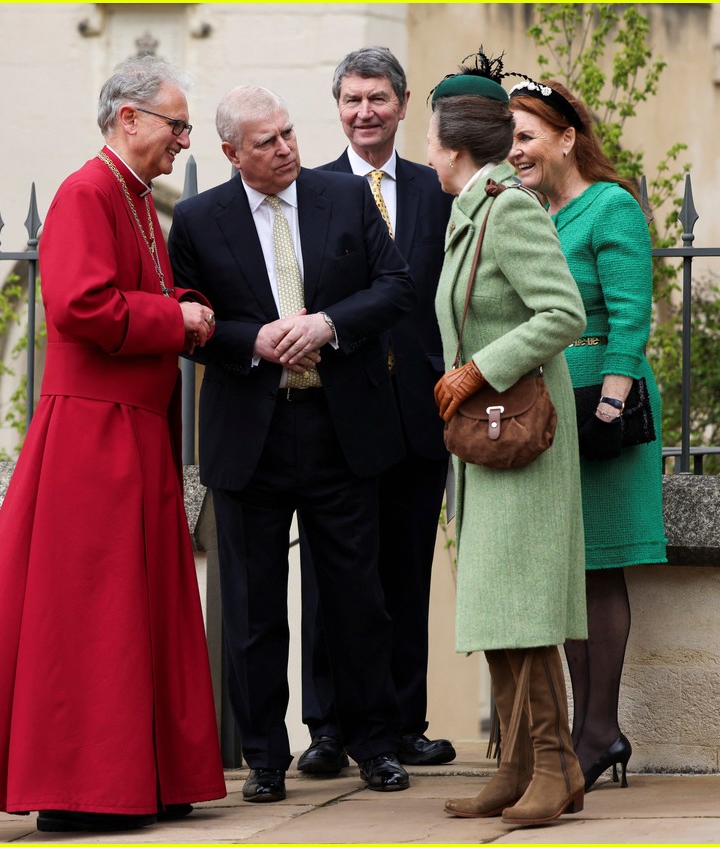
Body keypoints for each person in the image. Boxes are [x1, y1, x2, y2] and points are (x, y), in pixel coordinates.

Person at [0, 56, 227, 833]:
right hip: (93, 433)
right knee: (91, 615)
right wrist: (175, 322)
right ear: (128, 118)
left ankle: (144, 776)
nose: (184, 141)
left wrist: (183, 306)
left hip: (131, 430)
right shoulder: (87, 191)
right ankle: (81, 787)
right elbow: (82, 304)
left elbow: (135, 288)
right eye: (176, 125)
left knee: (138, 609)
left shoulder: (129, 196)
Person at [167, 85, 417, 804]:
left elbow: (396, 287)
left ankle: (373, 744)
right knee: (253, 609)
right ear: (231, 153)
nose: (285, 148)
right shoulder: (197, 219)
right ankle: (264, 758)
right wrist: (254, 339)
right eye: (267, 141)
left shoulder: (343, 195)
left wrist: (327, 324)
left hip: (342, 428)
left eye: (288, 134)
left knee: (356, 598)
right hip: (253, 434)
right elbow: (189, 319)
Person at [425, 53, 588, 827]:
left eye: (429, 138)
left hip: (525, 435)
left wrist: (475, 371)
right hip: (488, 442)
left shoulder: (510, 208)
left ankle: (556, 765)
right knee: (496, 604)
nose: (424, 152)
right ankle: (518, 763)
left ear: (453, 145)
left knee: (522, 604)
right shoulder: (470, 210)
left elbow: (563, 313)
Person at [294, 46, 456, 777]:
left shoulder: (437, 189)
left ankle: (401, 722)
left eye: (378, 99)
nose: (365, 112)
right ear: (337, 106)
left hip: (422, 410)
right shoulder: (308, 190)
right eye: (353, 99)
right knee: (334, 577)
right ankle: (328, 727)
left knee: (404, 572)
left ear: (403, 102)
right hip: (337, 415)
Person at [508, 76, 666, 794]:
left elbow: (633, 311)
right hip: (556, 407)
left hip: (602, 403)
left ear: (567, 137)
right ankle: (586, 730)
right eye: (510, 139)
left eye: (526, 136)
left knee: (600, 565)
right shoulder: (542, 212)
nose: (515, 151)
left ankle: (599, 728)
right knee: (571, 570)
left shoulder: (611, 205)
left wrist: (611, 401)